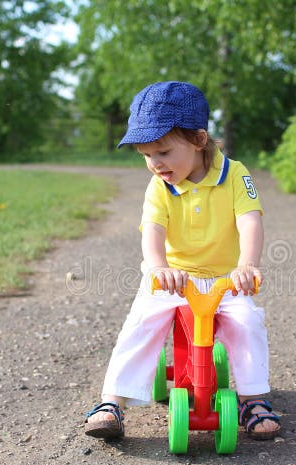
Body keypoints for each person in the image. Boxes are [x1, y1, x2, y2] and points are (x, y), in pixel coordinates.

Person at [83, 81, 280, 441]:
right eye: (146, 155)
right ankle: (112, 402)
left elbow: (250, 220)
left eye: (163, 152)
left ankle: (254, 399)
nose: (155, 164)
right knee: (142, 322)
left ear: (199, 140)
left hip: (224, 278)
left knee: (247, 321)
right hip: (173, 278)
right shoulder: (159, 187)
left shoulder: (235, 174)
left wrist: (247, 265)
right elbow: (153, 232)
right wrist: (159, 267)